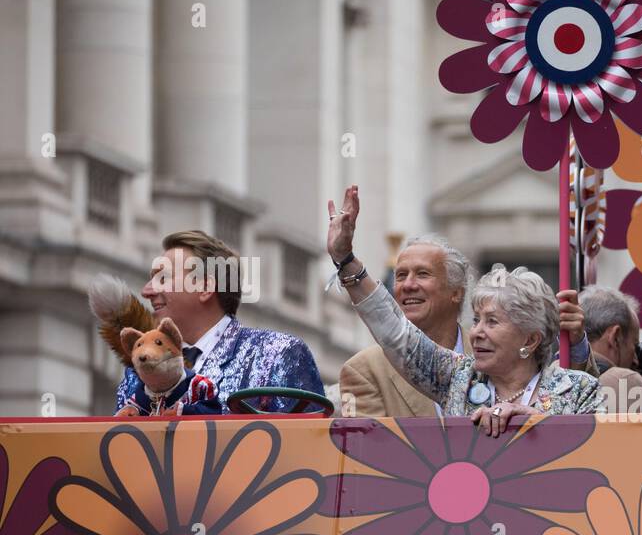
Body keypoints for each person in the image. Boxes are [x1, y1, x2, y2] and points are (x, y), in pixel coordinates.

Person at [326, 185, 603, 432]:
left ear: (530, 339)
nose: (477, 332)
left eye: (492, 322)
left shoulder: (579, 389)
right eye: (478, 320)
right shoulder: (458, 377)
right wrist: (345, 259)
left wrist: (540, 424)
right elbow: (394, 332)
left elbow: (603, 458)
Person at [117, 230, 324, 412]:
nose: (146, 291)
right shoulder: (137, 374)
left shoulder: (279, 354)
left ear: (205, 288)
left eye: (163, 278)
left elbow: (306, 448)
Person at [339, 234, 471, 417]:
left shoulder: (494, 358)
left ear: (456, 292)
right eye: (401, 276)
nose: (408, 285)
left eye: (423, 274)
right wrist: (344, 260)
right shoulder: (364, 370)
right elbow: (364, 445)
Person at [580, 285, 642, 412]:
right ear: (615, 337)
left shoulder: (548, 379)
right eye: (635, 345)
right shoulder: (625, 382)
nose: (636, 360)